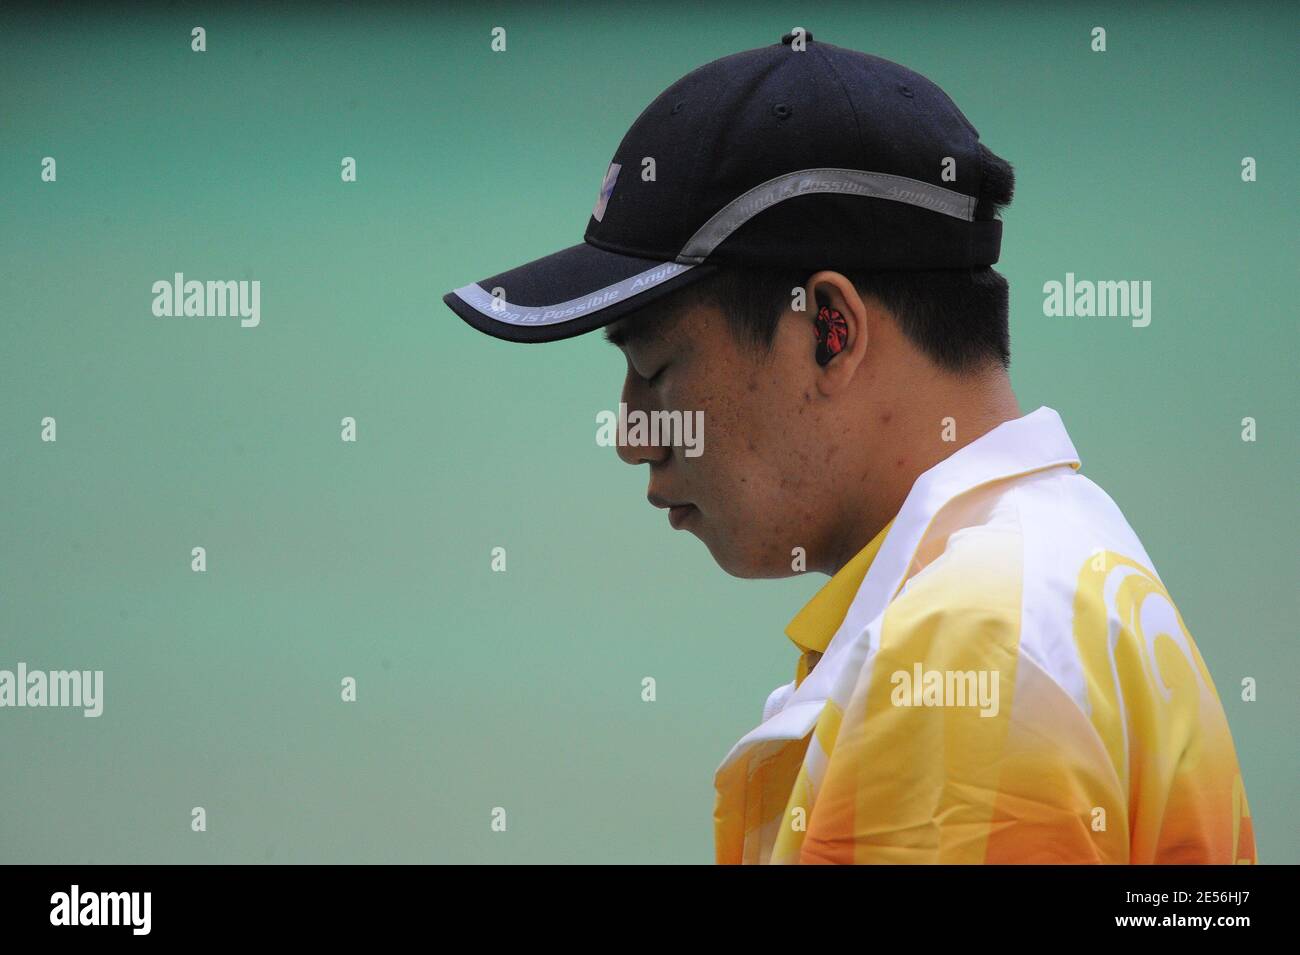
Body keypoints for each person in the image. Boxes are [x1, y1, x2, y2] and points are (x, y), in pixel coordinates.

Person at [442, 32, 1257, 864]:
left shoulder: (970, 643)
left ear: (829, 330)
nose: (631, 435)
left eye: (654, 368)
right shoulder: (1065, 567)